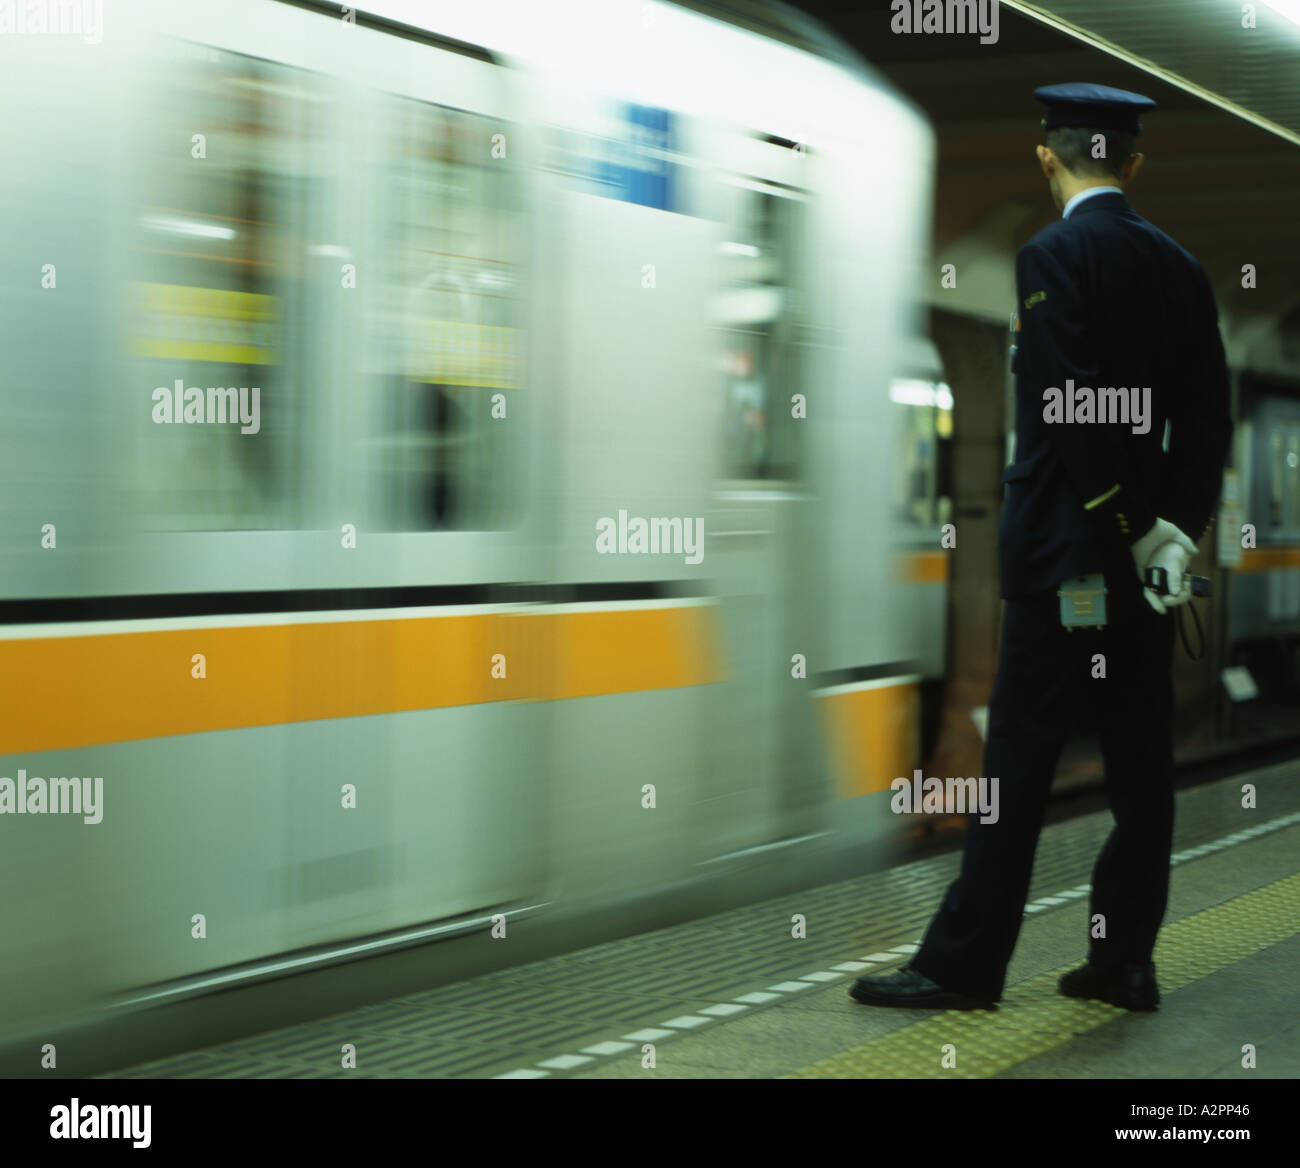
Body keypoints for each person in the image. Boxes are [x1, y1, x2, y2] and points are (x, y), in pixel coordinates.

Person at [850, 83, 1233, 1012]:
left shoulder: (1051, 254)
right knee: (1143, 771)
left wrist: (1130, 528)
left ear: (1046, 156)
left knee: (1016, 768)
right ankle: (1123, 962)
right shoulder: (1181, 268)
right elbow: (1209, 416)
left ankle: (962, 966)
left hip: (1069, 572)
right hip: (1145, 583)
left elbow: (1068, 410)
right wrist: (1171, 537)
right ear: (1132, 163)